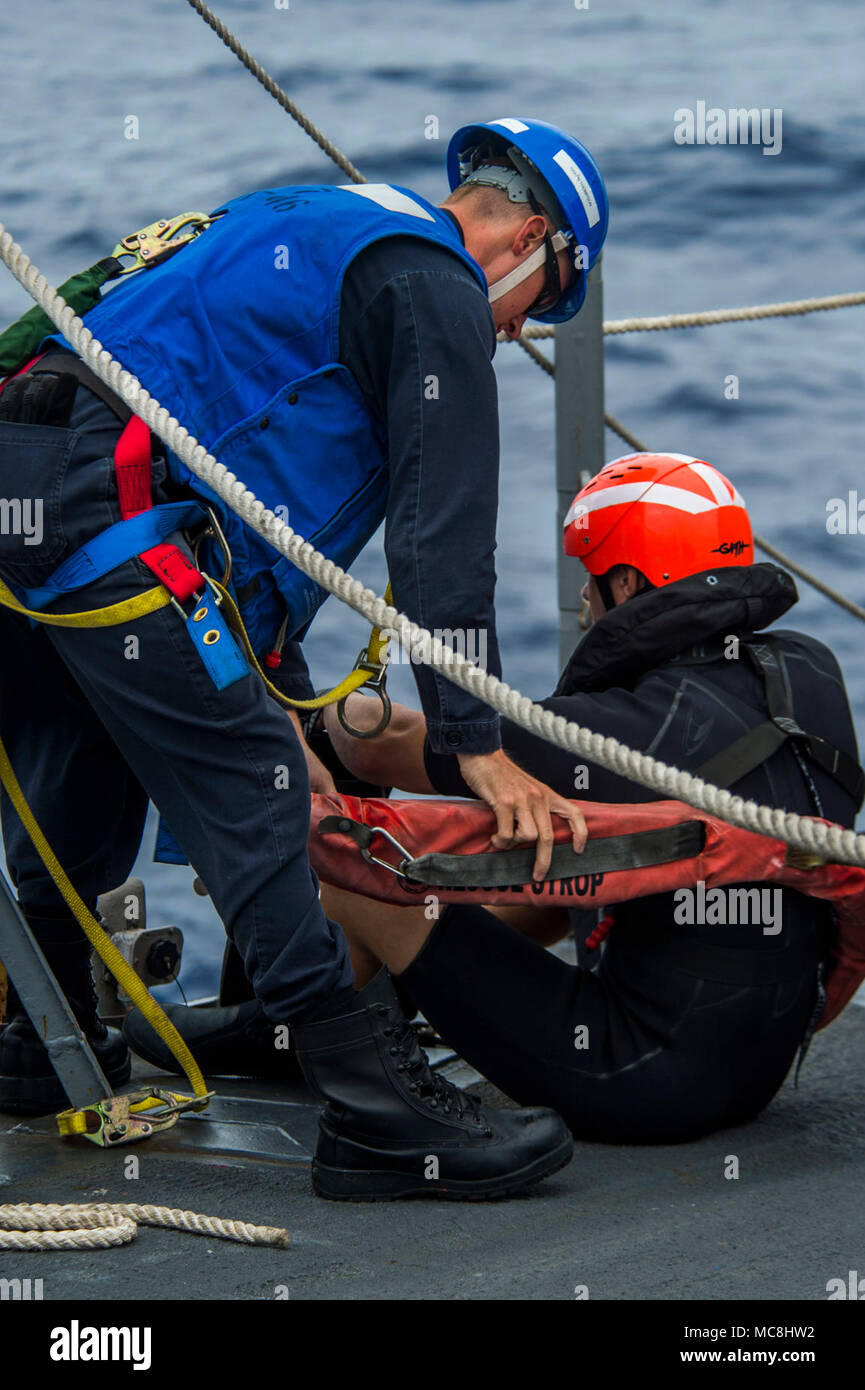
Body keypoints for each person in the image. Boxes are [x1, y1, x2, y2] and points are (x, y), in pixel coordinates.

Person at [0, 118, 609, 1200]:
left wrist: (268, 671)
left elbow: (229, 425)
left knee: (75, 749)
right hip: (114, 504)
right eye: (540, 307)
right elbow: (443, 542)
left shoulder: (311, 216)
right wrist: (475, 744)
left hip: (29, 477)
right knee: (259, 790)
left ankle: (45, 1042)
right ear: (524, 240)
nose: (517, 335)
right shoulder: (439, 286)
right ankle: (378, 1113)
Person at [304, 453, 863, 1142]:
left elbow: (387, 746)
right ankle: (366, 1008)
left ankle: (352, 1099)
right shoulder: (810, 668)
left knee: (360, 887)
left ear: (624, 583)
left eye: (589, 581)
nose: (581, 603)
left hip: (637, 1078)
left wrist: (317, 717)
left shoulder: (622, 731)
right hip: (756, 1070)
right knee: (547, 855)